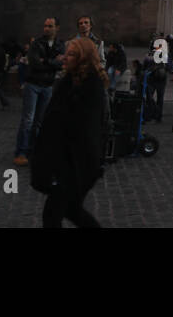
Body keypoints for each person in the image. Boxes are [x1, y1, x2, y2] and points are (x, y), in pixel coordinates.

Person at [31, 38, 108, 228]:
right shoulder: (68, 82)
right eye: (67, 53)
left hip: (76, 164)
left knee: (52, 214)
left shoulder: (91, 86)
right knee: (71, 210)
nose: (65, 58)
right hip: (68, 161)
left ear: (84, 59)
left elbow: (84, 129)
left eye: (72, 54)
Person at [15, 18, 65, 167]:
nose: (46, 29)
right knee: (28, 120)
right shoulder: (36, 43)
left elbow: (61, 63)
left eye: (50, 26)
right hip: (33, 84)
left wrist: (46, 61)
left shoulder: (60, 44)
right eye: (45, 26)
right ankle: (21, 152)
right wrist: (52, 62)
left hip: (47, 85)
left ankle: (34, 150)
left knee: (40, 121)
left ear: (57, 28)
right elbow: (35, 62)